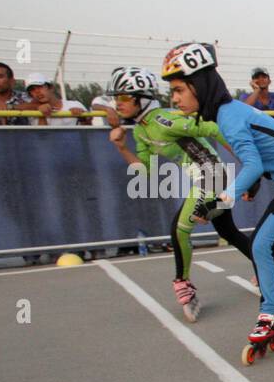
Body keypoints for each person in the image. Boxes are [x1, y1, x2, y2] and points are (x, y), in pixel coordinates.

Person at [162, 42, 274, 358]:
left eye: (178, 89)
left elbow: (254, 163)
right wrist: (254, 184)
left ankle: (269, 317)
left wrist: (217, 203)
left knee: (261, 244)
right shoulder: (228, 113)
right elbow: (261, 154)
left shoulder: (228, 116)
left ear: (198, 85)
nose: (174, 98)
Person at [104, 67, 255, 320]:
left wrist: (249, 169)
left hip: (212, 175)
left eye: (124, 98)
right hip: (203, 178)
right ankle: (268, 268)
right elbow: (146, 171)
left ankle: (183, 283)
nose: (118, 104)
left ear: (143, 98)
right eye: (115, 98)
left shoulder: (165, 120)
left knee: (179, 229)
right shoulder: (141, 131)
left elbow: (213, 129)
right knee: (227, 231)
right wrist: (121, 148)